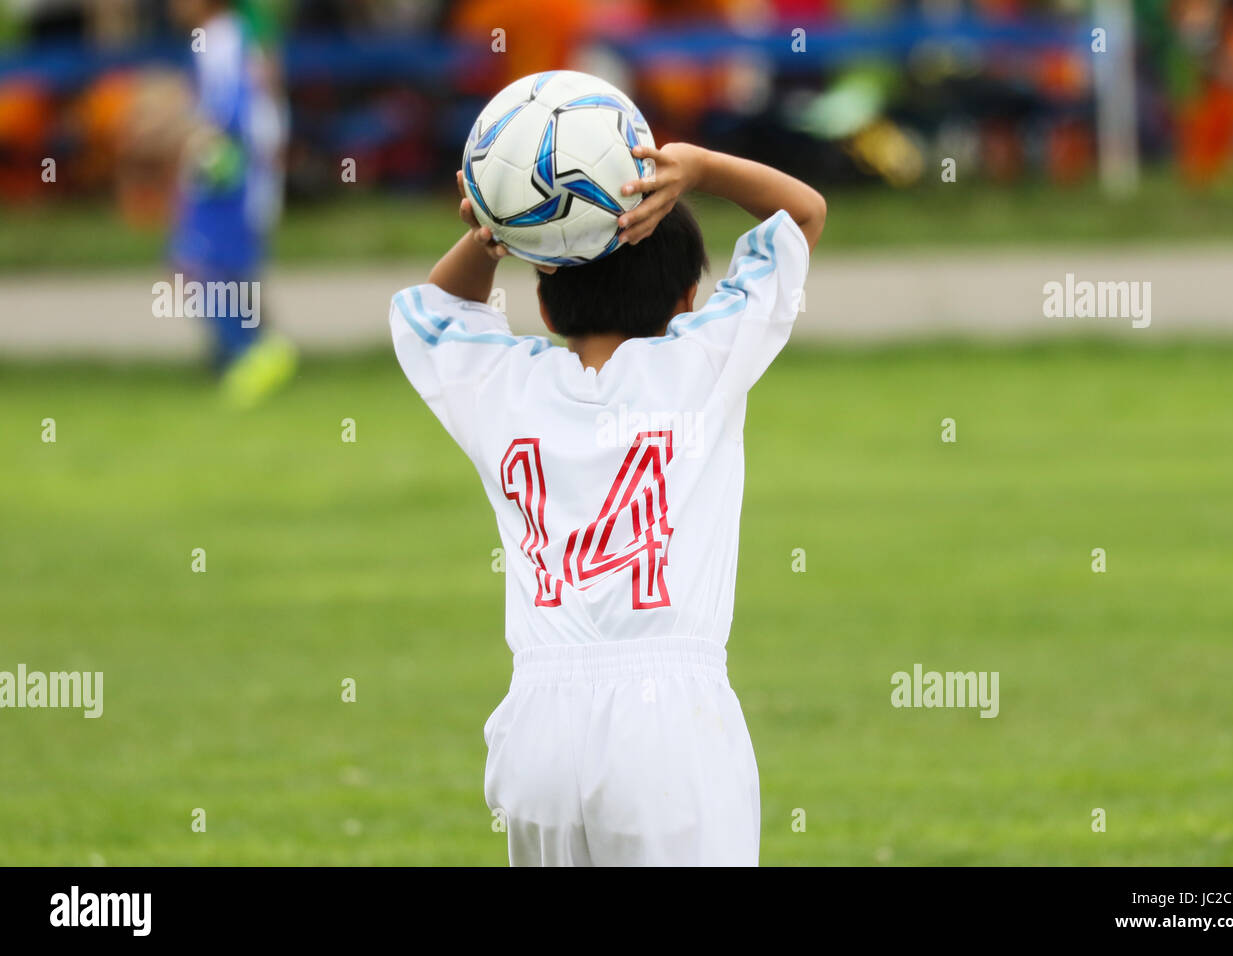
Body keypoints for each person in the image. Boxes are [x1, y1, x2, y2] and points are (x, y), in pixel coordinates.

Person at [389, 141, 825, 866]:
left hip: (537, 728)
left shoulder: (509, 388)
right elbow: (802, 212)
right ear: (688, 300)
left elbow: (436, 308)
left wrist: (496, 228)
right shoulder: (701, 364)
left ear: (542, 302)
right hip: (669, 729)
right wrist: (704, 171)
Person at [168, 0, 295, 406]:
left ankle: (253, 355)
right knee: (221, 271)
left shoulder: (223, 38)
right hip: (232, 175)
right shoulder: (233, 36)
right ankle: (250, 352)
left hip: (230, 179)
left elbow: (235, 110)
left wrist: (194, 137)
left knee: (205, 266)